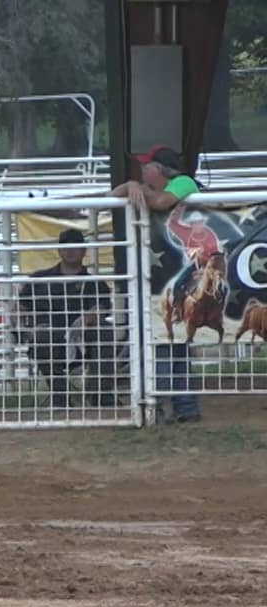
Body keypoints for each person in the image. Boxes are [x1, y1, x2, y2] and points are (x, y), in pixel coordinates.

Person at [113, 145, 203, 423]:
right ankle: (180, 406)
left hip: (180, 275)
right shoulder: (168, 186)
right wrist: (130, 186)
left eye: (146, 166)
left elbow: (162, 203)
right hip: (171, 276)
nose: (142, 171)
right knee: (171, 341)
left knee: (166, 342)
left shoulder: (184, 182)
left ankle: (163, 405)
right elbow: (113, 195)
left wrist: (135, 189)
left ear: (159, 169)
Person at [18, 229, 112, 409]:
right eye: (65, 247)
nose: (70, 251)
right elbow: (20, 306)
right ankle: (61, 398)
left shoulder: (95, 283)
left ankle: (99, 396)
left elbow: (102, 307)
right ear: (59, 250)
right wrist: (23, 326)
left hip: (84, 341)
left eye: (75, 247)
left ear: (84, 251)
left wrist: (87, 319)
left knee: (105, 331)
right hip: (49, 339)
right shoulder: (39, 280)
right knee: (41, 337)